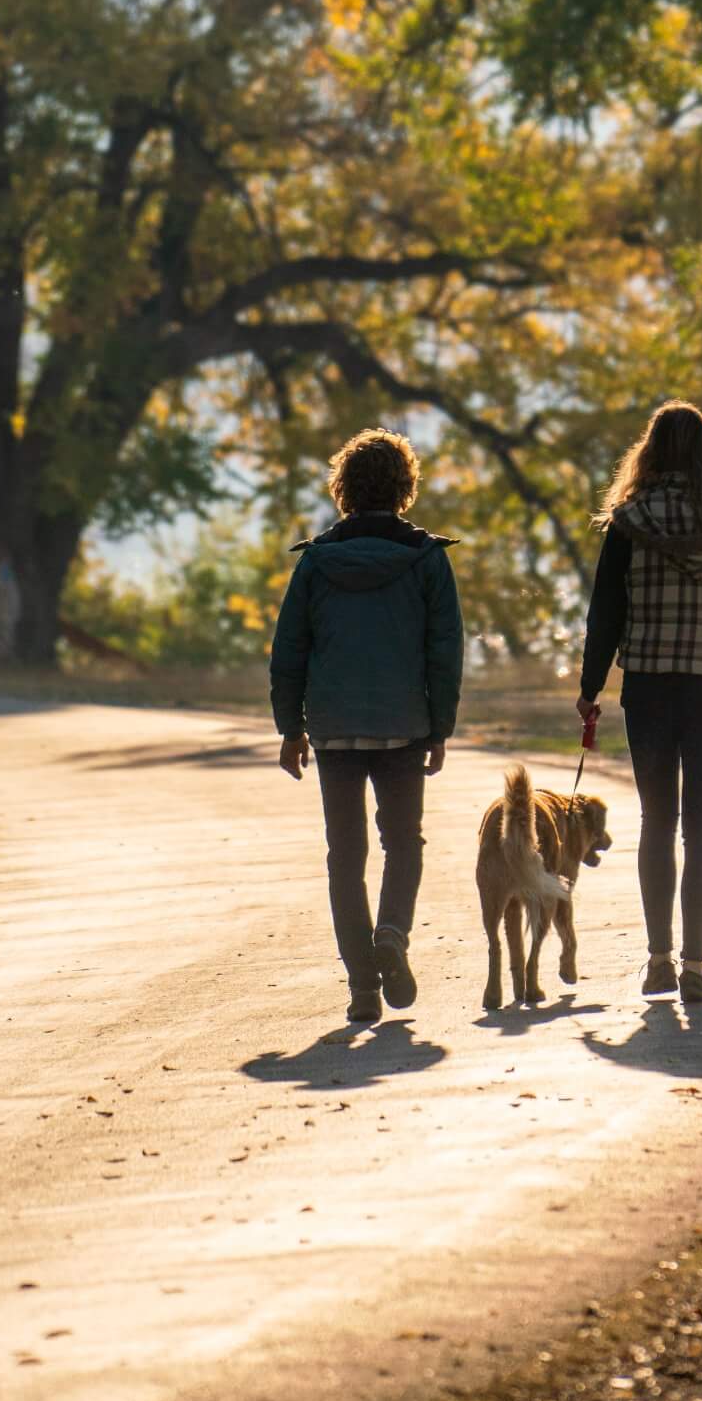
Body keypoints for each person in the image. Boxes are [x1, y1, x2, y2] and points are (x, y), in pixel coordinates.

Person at [575, 400, 702, 1004]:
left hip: (649, 687)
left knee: (657, 822)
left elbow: (605, 614)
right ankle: (696, 966)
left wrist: (591, 688)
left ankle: (658, 962)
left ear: (651, 452)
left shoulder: (630, 521)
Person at [270, 428, 464, 1025]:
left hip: (333, 729)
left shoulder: (317, 562)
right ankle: (393, 936)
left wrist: (290, 726)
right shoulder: (427, 559)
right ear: (405, 488)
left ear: (344, 490)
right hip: (404, 726)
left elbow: (290, 649)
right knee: (403, 842)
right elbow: (444, 649)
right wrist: (440, 729)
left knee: (345, 854)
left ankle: (361, 986)